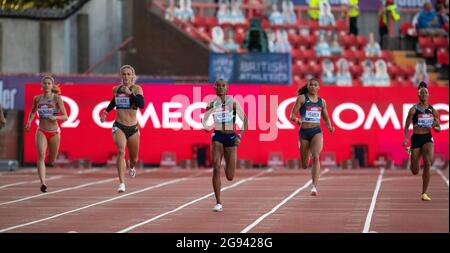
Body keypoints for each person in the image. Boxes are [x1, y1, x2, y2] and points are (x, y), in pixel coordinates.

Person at [202, 78, 248, 212]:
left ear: (227, 88)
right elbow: (205, 122)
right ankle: (218, 202)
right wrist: (206, 127)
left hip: (231, 137)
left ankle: (227, 162)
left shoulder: (232, 103)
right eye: (218, 86)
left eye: (223, 86)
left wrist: (240, 135)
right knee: (216, 167)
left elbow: (245, 121)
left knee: (230, 176)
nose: (221, 88)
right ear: (214, 88)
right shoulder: (211, 104)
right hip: (218, 136)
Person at [100, 65, 144, 193]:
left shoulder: (137, 89)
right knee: (120, 151)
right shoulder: (116, 89)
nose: (126, 76)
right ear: (121, 76)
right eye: (123, 74)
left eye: (128, 74)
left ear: (132, 76)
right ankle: (121, 183)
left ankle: (132, 167)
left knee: (134, 158)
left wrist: (130, 94)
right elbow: (114, 101)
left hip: (133, 127)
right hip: (118, 125)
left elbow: (141, 104)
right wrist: (105, 112)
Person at [289, 78, 335, 196]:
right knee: (304, 165)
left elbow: (325, 117)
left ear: (319, 87)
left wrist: (329, 126)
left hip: (316, 131)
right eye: (311, 85)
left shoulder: (322, 102)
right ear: (308, 86)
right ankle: (307, 153)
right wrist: (297, 120)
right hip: (304, 132)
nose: (313, 87)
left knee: (316, 156)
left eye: (315, 85)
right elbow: (292, 115)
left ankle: (314, 186)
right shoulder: (302, 98)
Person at [25, 76, 68, 193]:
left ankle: (51, 161)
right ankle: (43, 183)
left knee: (51, 160)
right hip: (41, 130)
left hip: (54, 132)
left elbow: (65, 116)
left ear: (51, 85)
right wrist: (29, 122)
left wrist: (56, 117)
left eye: (49, 83)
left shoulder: (57, 99)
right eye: (45, 83)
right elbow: (33, 111)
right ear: (41, 85)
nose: (46, 85)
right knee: (41, 156)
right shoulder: (37, 99)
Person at [402, 82, 441, 201]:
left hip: (427, 138)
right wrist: (406, 138)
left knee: (428, 163)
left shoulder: (433, 111)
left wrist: (435, 127)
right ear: (418, 96)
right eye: (421, 93)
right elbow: (406, 125)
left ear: (428, 95)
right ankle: (411, 153)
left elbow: (438, 128)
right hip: (416, 138)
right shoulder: (413, 109)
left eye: (426, 92)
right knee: (415, 171)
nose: (424, 94)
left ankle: (424, 193)